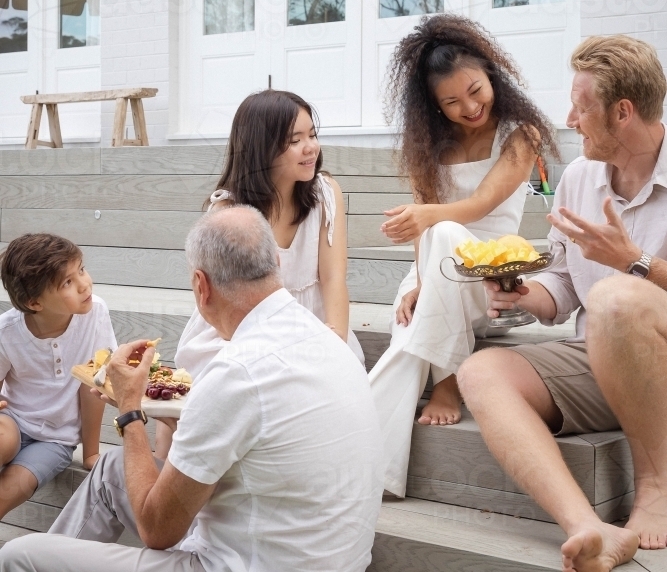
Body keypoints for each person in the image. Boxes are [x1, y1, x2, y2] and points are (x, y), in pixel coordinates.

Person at [0, 206, 385, 572]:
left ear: (201, 286)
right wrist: (159, 413)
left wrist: (131, 412)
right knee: (111, 468)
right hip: (324, 556)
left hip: (242, 563)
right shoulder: (329, 342)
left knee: (19, 556)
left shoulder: (237, 371)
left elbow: (157, 530)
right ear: (276, 265)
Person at [457, 34, 667, 572]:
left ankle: (656, 487)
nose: (569, 119)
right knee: (481, 372)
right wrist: (527, 293)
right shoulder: (578, 177)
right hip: (602, 355)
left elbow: (618, 285)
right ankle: (586, 524)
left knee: (618, 297)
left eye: (581, 106)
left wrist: (636, 263)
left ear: (623, 112)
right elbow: (567, 284)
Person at [368, 13, 559, 497]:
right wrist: (414, 283)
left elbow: (481, 205)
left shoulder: (521, 132)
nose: (469, 107)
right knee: (407, 331)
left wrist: (427, 216)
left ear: (491, 73)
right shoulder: (431, 142)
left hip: (489, 275)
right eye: (451, 102)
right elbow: (425, 235)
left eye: (475, 90)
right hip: (435, 272)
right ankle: (378, 478)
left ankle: (447, 381)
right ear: (434, 105)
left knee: (450, 228)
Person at [176, 89, 363, 378]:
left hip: (314, 323)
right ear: (261, 148)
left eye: (312, 135)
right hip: (245, 331)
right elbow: (226, 302)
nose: (310, 147)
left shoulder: (326, 194)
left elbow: (334, 277)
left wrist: (336, 340)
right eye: (294, 140)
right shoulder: (229, 211)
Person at [0, 233, 116, 522]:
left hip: (55, 440)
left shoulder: (95, 313)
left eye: (82, 269)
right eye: (67, 282)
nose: (84, 283)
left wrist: (90, 453)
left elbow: (93, 386)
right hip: (12, 421)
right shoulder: (7, 332)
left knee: (9, 492)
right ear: (35, 302)